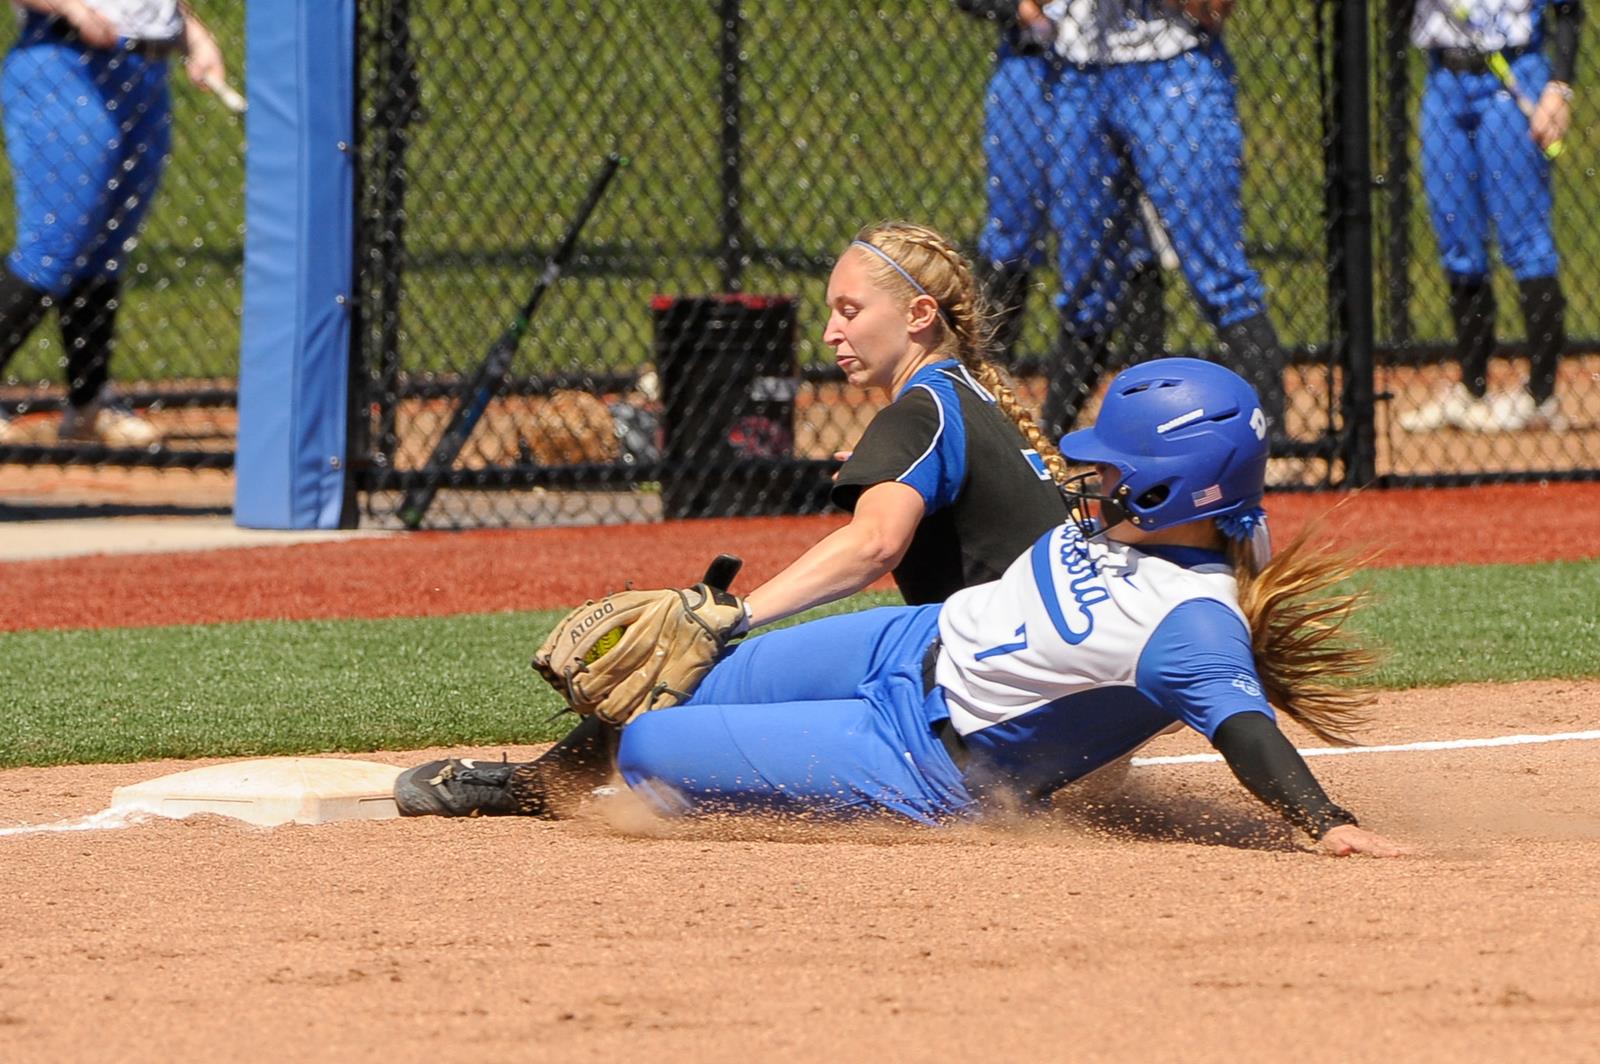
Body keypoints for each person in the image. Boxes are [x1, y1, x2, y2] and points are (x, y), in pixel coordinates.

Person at [393, 358, 1406, 858]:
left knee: (655, 750)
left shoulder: (1194, 625)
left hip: (922, 755)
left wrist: (1327, 822)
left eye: (1116, 469)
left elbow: (1243, 729)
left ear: (1179, 494)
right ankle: (531, 783)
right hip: (908, 639)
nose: (1089, 477)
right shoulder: (1120, 529)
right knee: (677, 673)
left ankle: (591, 789)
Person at [732, 221, 1077, 628]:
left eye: (850, 311)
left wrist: (737, 615)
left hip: (1003, 665)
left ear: (919, 314)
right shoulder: (975, 398)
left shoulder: (919, 412)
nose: (830, 333)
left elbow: (874, 545)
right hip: (1057, 645)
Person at [1036, 0, 1301, 451]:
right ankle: (1048, 444)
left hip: (1175, 72)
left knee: (1218, 272)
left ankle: (1270, 440)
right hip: (1079, 79)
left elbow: (1213, 10)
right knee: (1083, 281)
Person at [0, 1, 228, 447]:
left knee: (103, 249)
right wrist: (74, 10)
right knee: (53, 247)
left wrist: (193, 35)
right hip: (65, 62)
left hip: (145, 71)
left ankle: (89, 404)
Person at [955, 0, 1168, 439]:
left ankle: (1140, 413)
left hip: (1112, 70)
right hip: (1029, 65)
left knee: (1120, 240)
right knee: (1010, 233)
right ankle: (983, 406)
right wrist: (1023, 9)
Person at [1398, 0, 1579, 434]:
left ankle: (1542, 395)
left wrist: (1560, 88)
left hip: (1514, 74)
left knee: (1526, 241)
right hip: (1444, 80)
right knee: (1457, 240)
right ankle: (1473, 390)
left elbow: (1569, 11)